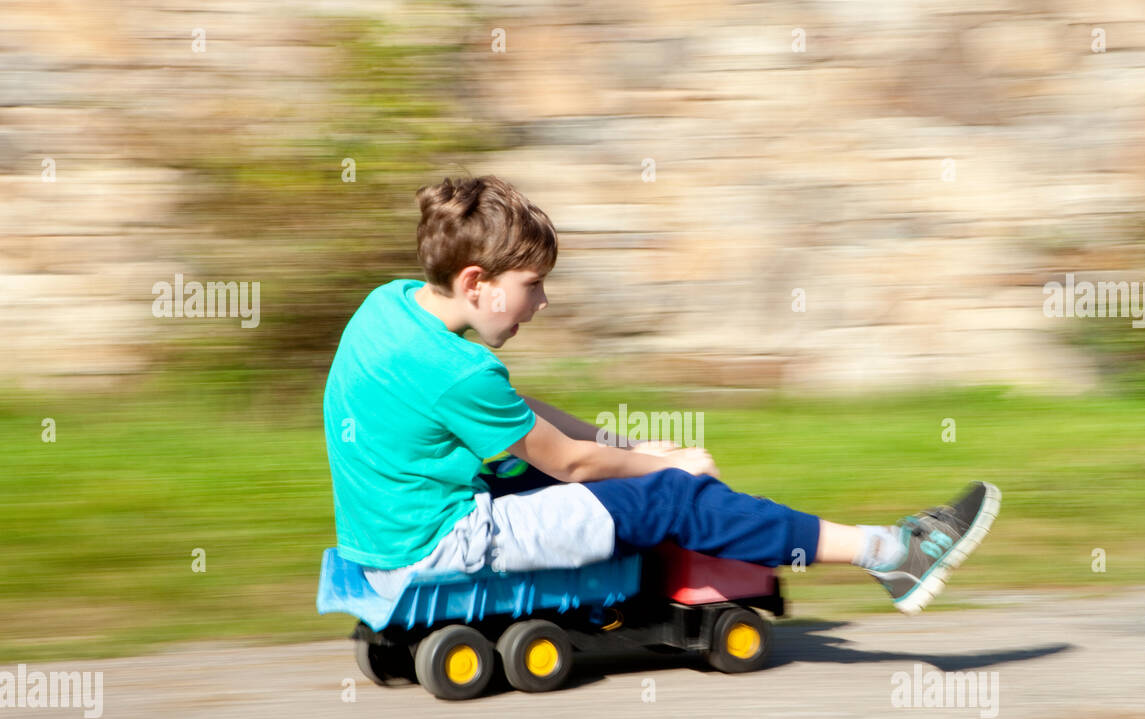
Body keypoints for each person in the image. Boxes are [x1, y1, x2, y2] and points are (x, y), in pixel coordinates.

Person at [322, 175, 999, 616]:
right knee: (673, 498)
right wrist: (666, 468)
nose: (543, 301)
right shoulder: (461, 373)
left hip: (385, 530)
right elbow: (572, 466)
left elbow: (523, 420)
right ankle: (893, 554)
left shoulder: (393, 307)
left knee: (575, 470)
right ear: (478, 284)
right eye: (532, 286)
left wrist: (630, 445)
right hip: (443, 543)